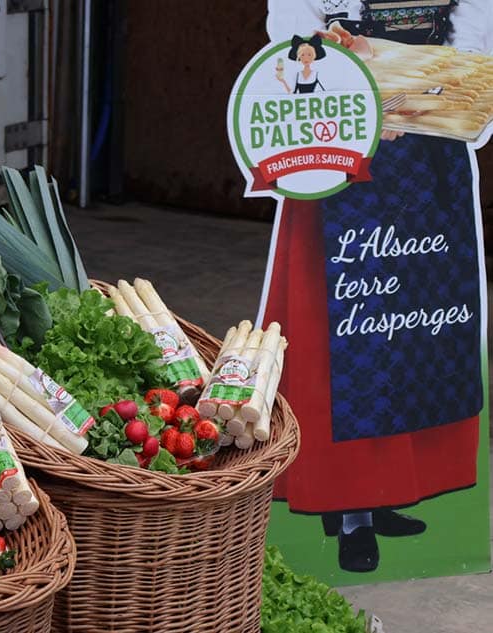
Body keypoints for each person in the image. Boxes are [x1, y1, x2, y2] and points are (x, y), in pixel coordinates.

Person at [262, 0, 491, 573]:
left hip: (431, 148)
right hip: (340, 148)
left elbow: (475, 37)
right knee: (349, 330)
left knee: (418, 326)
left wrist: (439, 87)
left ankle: (390, 489)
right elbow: (293, 36)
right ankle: (349, 510)